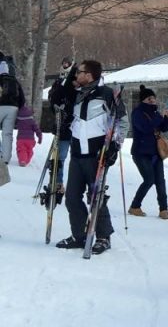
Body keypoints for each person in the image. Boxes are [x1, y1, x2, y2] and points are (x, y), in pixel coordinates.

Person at [56, 60, 125, 254]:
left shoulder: (107, 94)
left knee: (96, 197)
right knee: (71, 197)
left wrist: (115, 146)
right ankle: (80, 236)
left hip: (97, 154)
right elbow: (60, 103)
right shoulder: (76, 94)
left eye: (79, 72)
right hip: (77, 153)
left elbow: (122, 121)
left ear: (89, 75)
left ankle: (104, 237)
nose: (77, 75)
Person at [128, 85, 168, 219]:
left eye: (153, 97)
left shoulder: (155, 112)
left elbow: (163, 128)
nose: (152, 100)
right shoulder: (137, 113)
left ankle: (164, 209)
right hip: (141, 153)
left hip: (156, 152)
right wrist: (159, 117)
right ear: (143, 100)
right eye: (149, 98)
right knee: (149, 180)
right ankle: (135, 206)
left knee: (160, 181)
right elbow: (145, 128)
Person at [47, 57, 76, 186]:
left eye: (67, 64)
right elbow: (53, 99)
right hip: (63, 125)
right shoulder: (59, 82)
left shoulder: (81, 87)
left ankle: (74, 185)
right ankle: (58, 182)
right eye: (64, 63)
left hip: (75, 127)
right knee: (60, 157)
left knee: (76, 159)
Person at [0, 69, 24, 164]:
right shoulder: (15, 81)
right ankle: (5, 159)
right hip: (13, 108)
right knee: (7, 134)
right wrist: (18, 108)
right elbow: (22, 98)